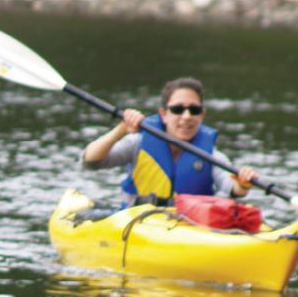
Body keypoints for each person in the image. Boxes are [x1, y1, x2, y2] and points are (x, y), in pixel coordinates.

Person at [80, 77, 259, 207]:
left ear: (202, 115)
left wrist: (242, 184)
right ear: (163, 114)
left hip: (189, 228)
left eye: (194, 110)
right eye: (178, 109)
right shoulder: (137, 143)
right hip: (138, 224)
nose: (187, 117)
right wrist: (120, 130)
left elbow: (232, 188)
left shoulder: (211, 155)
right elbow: (90, 161)